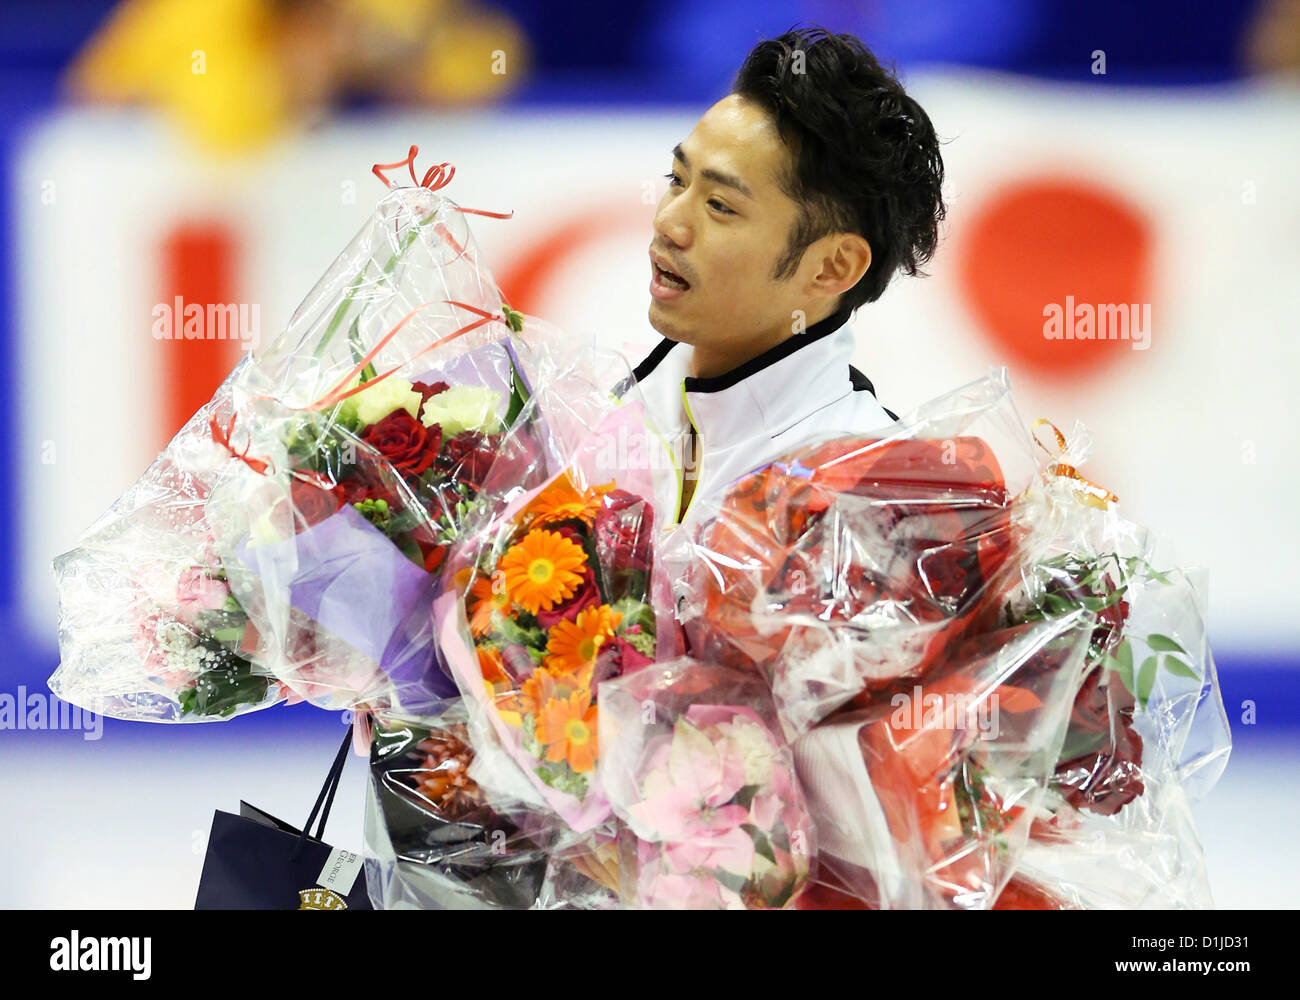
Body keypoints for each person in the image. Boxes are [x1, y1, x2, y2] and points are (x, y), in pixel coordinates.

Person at [615, 25, 946, 527]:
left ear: (833, 267)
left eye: (720, 205)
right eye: (676, 180)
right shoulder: (593, 415)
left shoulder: (880, 499)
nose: (668, 222)